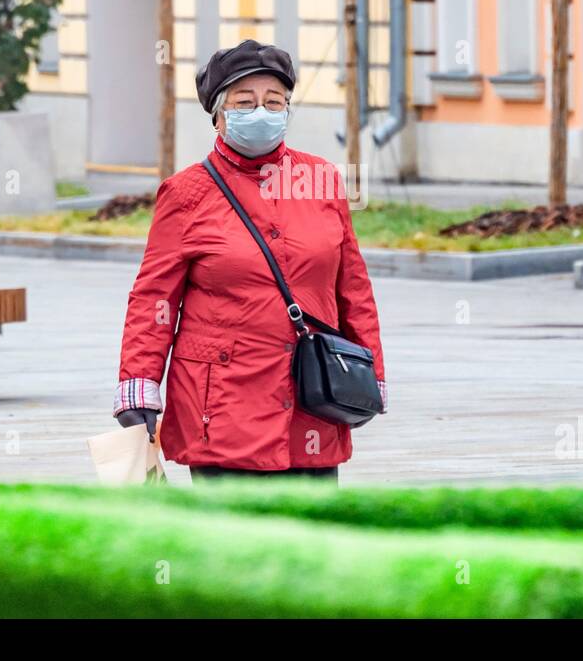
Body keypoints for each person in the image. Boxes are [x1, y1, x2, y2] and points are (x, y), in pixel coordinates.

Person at [112, 39, 387, 484]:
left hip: (312, 400)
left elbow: (353, 289)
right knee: (233, 545)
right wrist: (139, 384)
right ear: (219, 116)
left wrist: (369, 372)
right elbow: (153, 299)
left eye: (273, 102)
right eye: (245, 102)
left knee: (313, 543)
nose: (261, 112)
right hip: (220, 409)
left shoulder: (321, 182)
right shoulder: (186, 194)